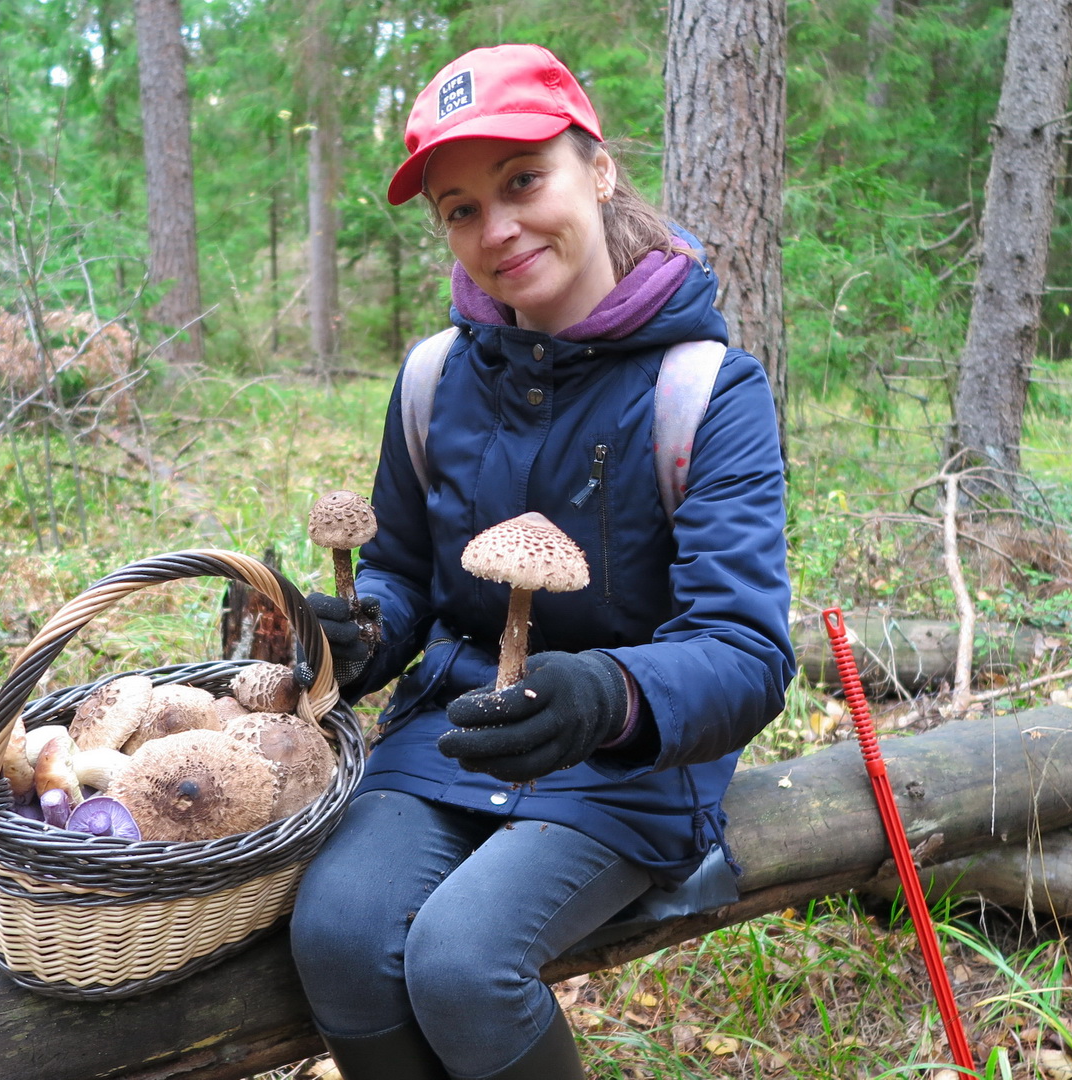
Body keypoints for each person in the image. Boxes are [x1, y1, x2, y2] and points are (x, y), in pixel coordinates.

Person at [289, 43, 794, 1080]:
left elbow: (747, 649)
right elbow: (404, 580)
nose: (498, 228)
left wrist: (609, 695)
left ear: (597, 169)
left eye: (524, 180)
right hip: (452, 733)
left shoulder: (705, 392)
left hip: (625, 761)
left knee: (464, 961)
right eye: (461, 208)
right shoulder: (436, 377)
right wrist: (360, 633)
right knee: (336, 935)